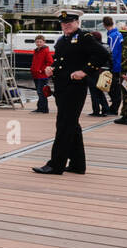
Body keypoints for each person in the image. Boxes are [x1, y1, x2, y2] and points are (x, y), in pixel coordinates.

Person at [34, 10, 113, 175]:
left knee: (64, 125)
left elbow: (103, 54)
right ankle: (78, 164)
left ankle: (56, 165)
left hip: (75, 88)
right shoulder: (63, 40)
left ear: (77, 22)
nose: (66, 25)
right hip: (62, 87)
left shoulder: (84, 38)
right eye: (63, 23)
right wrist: (52, 68)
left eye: (70, 22)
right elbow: (60, 61)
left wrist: (84, 71)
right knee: (72, 125)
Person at [103, 16, 123, 114]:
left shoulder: (112, 36)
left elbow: (113, 52)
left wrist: (110, 64)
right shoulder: (118, 34)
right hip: (118, 64)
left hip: (115, 65)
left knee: (113, 88)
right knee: (114, 87)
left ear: (104, 24)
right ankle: (114, 107)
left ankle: (114, 108)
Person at [87, 30, 110, 115]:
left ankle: (96, 110)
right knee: (100, 91)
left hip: (95, 71)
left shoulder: (93, 47)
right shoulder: (106, 45)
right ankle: (106, 108)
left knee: (94, 91)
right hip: (105, 71)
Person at [31, 35, 53, 113]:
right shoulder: (36, 51)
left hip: (42, 75)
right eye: (37, 42)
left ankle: (43, 109)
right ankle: (41, 108)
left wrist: (41, 70)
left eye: (40, 42)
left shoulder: (46, 51)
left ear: (44, 42)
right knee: (39, 92)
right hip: (36, 75)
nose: (39, 43)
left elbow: (50, 62)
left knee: (42, 92)